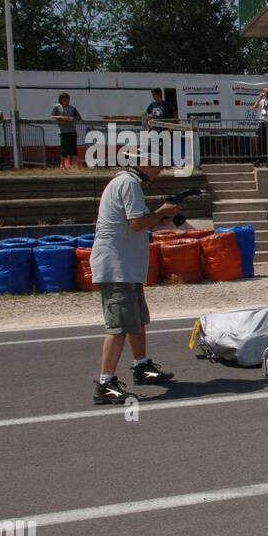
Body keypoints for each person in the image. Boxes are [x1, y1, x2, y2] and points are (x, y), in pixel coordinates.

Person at [90, 153, 183, 404]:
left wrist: (161, 217)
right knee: (119, 326)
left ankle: (142, 367)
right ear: (144, 164)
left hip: (127, 267)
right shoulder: (129, 183)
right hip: (116, 267)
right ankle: (105, 384)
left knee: (137, 320)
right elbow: (136, 223)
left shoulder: (128, 183)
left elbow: (140, 224)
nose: (159, 173)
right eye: (157, 168)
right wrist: (162, 211)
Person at [51, 93, 83, 169]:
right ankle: (62, 164)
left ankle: (71, 165)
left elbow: (79, 117)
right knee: (64, 149)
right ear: (61, 100)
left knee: (72, 149)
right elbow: (52, 116)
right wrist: (61, 117)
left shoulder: (72, 108)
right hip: (63, 131)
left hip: (72, 131)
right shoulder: (57, 107)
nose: (66, 100)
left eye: (67, 99)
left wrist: (72, 118)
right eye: (64, 99)